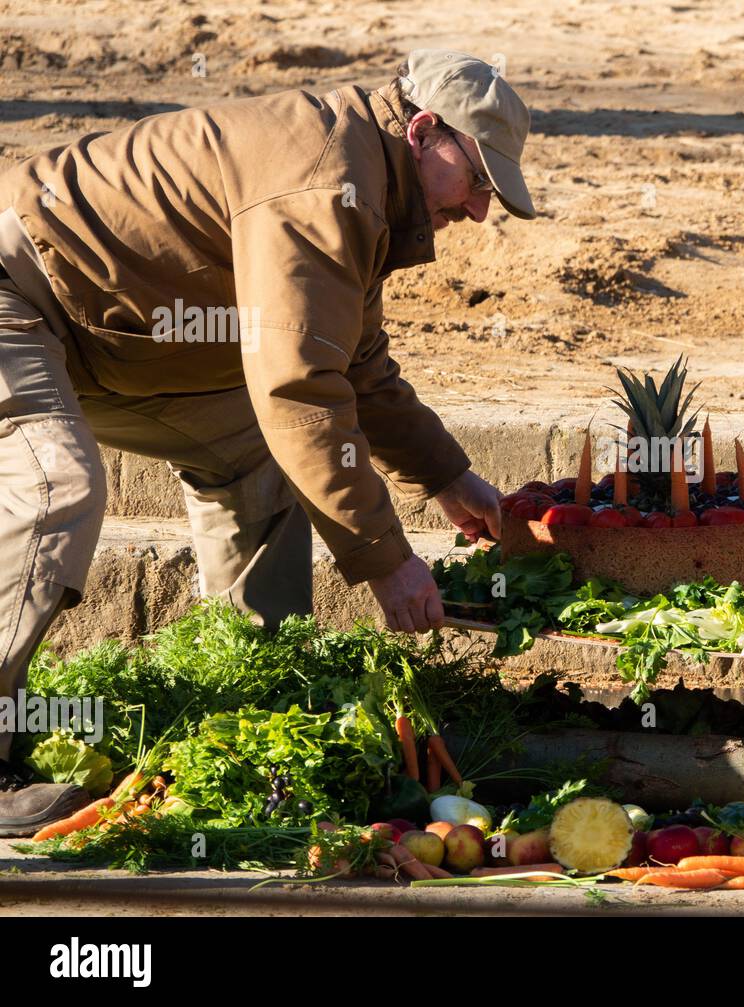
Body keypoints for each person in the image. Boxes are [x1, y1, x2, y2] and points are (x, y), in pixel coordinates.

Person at [0, 49, 532, 836]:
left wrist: (448, 476)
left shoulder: (368, 181)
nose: (481, 211)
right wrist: (386, 562)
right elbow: (300, 390)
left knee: (254, 455)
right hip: (23, 295)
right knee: (58, 489)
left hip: (107, 336)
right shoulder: (323, 182)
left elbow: (355, 366)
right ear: (423, 131)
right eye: (479, 180)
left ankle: (250, 715)